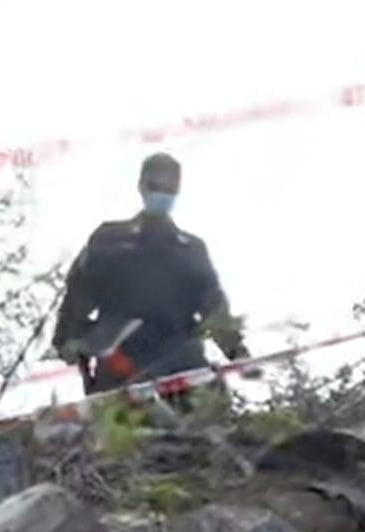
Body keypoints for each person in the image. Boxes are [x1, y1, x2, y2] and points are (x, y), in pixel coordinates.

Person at [50, 152, 247, 394]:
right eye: (155, 184)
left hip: (180, 367)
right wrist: (67, 340)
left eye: (169, 185)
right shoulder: (109, 240)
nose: (162, 191)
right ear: (141, 186)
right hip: (122, 367)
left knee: (208, 405)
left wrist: (237, 353)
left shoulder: (190, 250)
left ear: (177, 190)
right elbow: (79, 293)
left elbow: (213, 307)